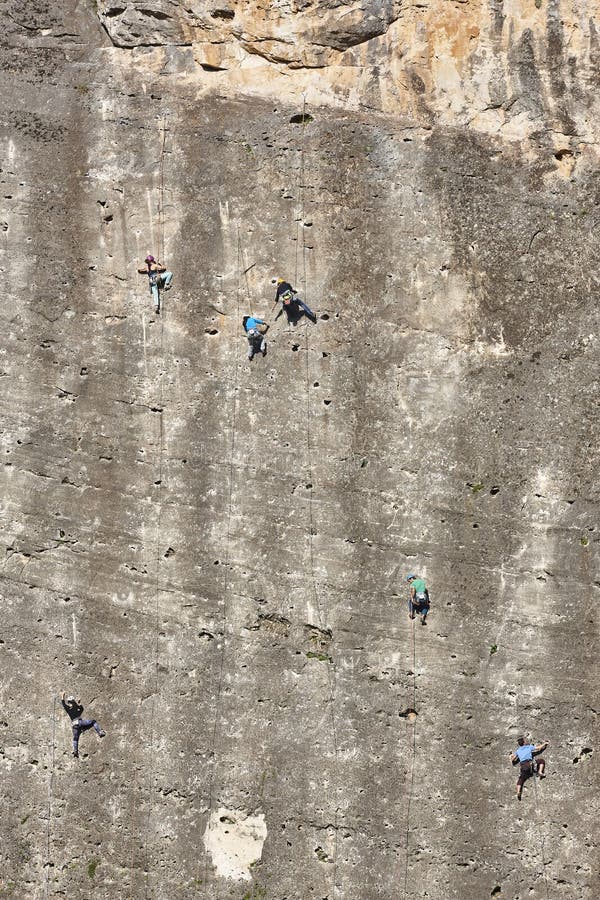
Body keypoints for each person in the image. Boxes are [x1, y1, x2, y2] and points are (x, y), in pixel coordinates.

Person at [61, 691, 106, 758]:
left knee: (75, 738)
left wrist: (62, 696)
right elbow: (81, 709)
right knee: (93, 721)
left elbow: (63, 704)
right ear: (73, 701)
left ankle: (75, 752)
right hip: (80, 722)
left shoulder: (69, 709)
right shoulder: (76, 707)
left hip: (74, 726)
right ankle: (100, 732)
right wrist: (79, 703)